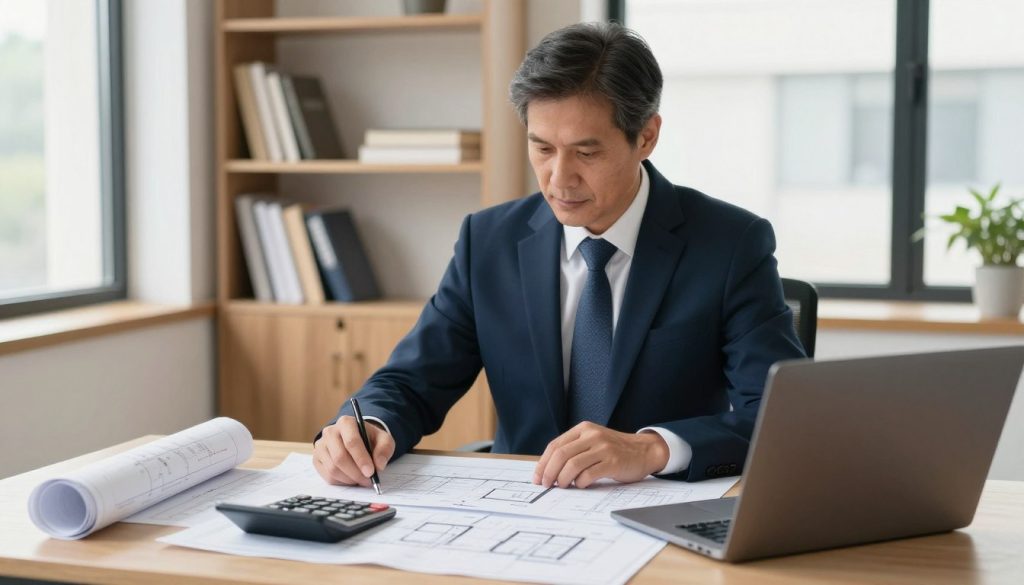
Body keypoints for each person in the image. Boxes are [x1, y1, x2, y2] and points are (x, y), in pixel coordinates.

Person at [312, 22, 805, 490]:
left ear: (647, 137)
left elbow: (778, 417)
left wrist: (652, 449)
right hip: (521, 512)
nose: (558, 178)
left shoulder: (731, 244)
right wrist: (368, 424)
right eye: (542, 148)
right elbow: (413, 380)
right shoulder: (489, 241)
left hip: (661, 514)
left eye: (586, 153)